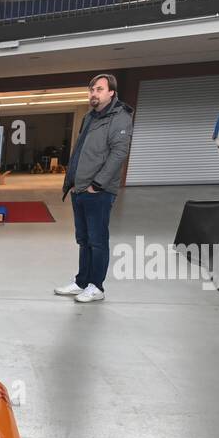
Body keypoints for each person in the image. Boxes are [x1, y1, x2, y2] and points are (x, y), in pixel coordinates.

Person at [55, 73, 133, 303]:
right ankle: (81, 282)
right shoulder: (90, 117)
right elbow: (81, 150)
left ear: (111, 93)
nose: (94, 94)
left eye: (99, 89)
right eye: (91, 90)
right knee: (84, 239)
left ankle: (96, 286)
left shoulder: (119, 117)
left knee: (97, 240)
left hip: (98, 190)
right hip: (80, 188)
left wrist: (98, 184)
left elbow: (119, 153)